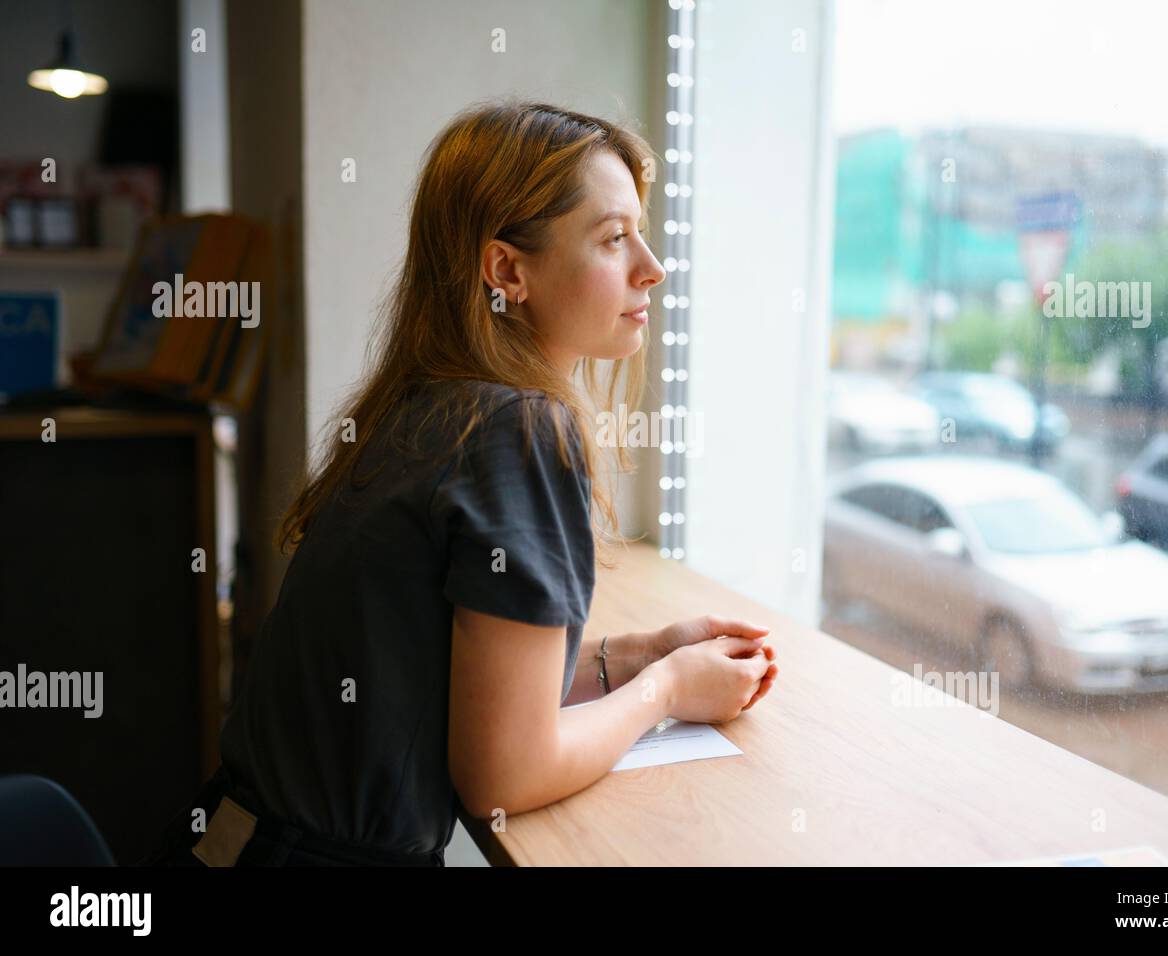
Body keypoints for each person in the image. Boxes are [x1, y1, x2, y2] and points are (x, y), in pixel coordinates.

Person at [141, 99, 778, 867]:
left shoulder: (432, 404)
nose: (653, 265)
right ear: (508, 270)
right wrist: (668, 692)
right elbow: (505, 775)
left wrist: (639, 654)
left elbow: (449, 672)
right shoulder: (519, 429)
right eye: (615, 238)